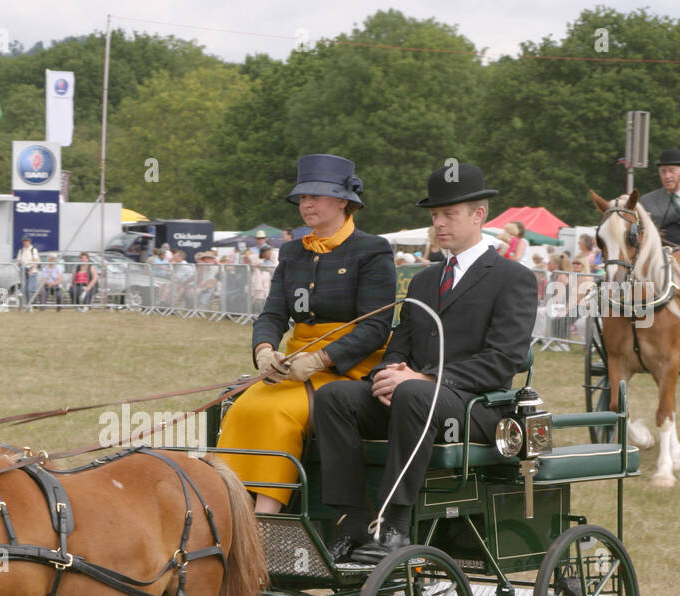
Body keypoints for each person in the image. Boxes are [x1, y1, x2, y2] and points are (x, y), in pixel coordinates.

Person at [314, 161, 537, 563]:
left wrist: (422, 377)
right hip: (413, 399)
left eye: (449, 214)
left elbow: (505, 360)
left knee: (416, 393)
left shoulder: (512, 278)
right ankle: (349, 523)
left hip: (475, 406)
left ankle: (396, 526)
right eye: (435, 215)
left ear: (479, 215)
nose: (440, 223)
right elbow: (400, 342)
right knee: (334, 397)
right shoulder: (422, 280)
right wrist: (390, 372)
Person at [216, 153, 396, 514]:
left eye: (316, 196)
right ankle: (227, 507)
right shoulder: (292, 253)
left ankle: (265, 518)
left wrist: (321, 359)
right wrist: (265, 350)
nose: (307, 204)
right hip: (293, 367)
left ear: (344, 201)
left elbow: (376, 327)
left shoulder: (372, 251)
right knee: (242, 406)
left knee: (279, 412)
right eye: (302, 197)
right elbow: (273, 313)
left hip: (349, 370)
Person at [16, 237, 40, 305]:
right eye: (24, 241)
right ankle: (23, 305)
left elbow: (36, 261)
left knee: (29, 289)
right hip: (23, 271)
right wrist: (19, 265)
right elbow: (19, 261)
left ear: (29, 241)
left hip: (32, 271)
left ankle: (29, 305)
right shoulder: (21, 251)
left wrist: (31, 270)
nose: (25, 242)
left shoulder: (33, 250)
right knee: (22, 289)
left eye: (26, 241)